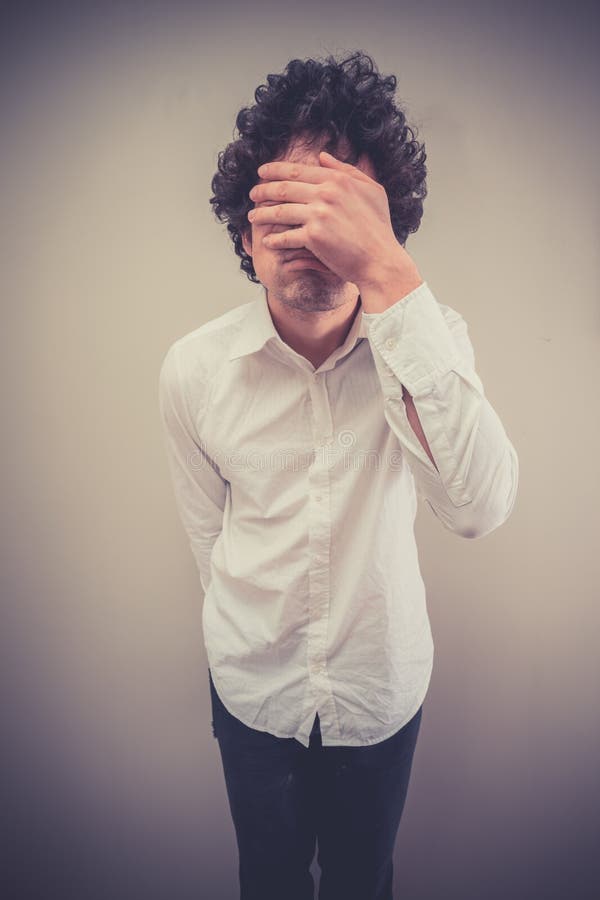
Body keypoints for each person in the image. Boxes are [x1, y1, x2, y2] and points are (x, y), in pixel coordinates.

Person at [158, 50, 519, 900]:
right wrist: (253, 634)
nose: (311, 241)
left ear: (381, 225)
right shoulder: (193, 370)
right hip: (252, 692)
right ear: (245, 234)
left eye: (339, 212)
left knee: (363, 881)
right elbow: (208, 537)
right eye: (286, 210)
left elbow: (478, 509)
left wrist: (391, 275)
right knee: (270, 883)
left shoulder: (433, 343)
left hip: (378, 689)